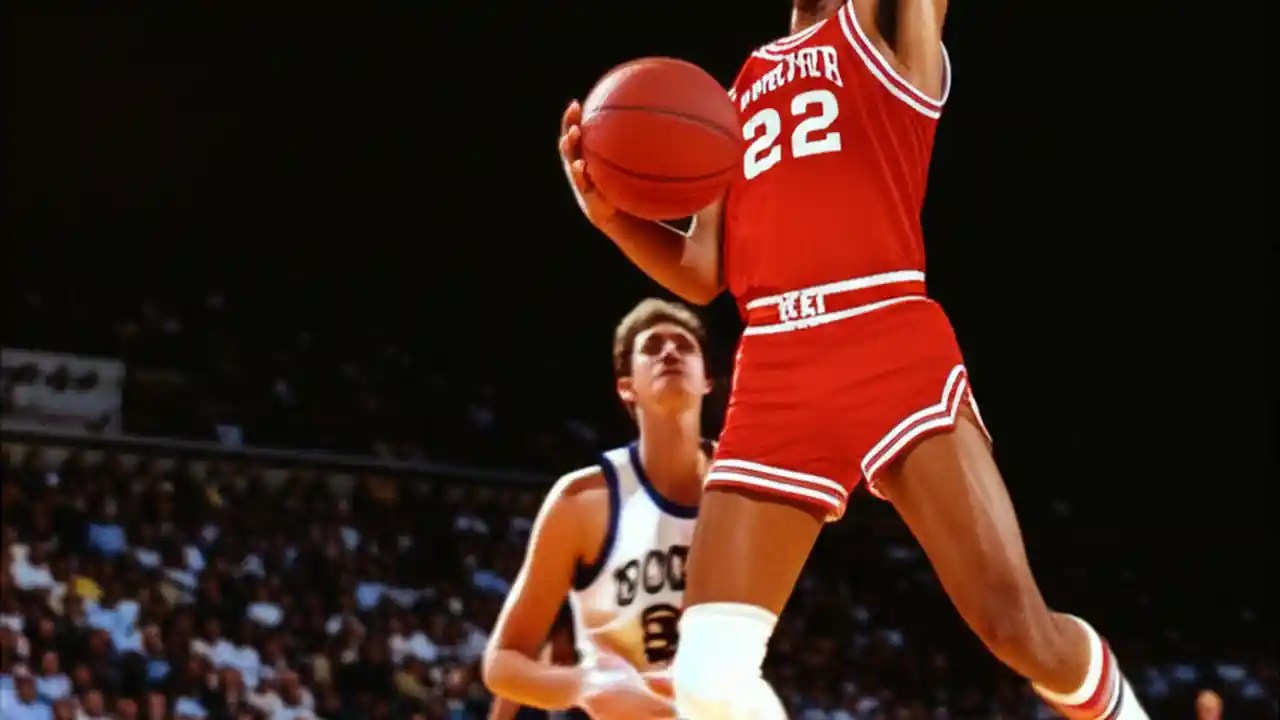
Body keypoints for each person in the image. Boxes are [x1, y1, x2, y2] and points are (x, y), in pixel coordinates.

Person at [556, 1, 1151, 719]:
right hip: (774, 362)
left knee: (1017, 630)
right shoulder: (735, 91)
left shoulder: (890, 33)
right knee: (708, 677)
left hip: (885, 332)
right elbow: (702, 268)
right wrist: (615, 218)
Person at [481, 298, 787, 720]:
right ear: (627, 386)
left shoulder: (747, 487)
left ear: (708, 382)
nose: (669, 352)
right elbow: (502, 664)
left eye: (684, 345)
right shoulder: (583, 501)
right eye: (653, 346)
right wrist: (583, 684)